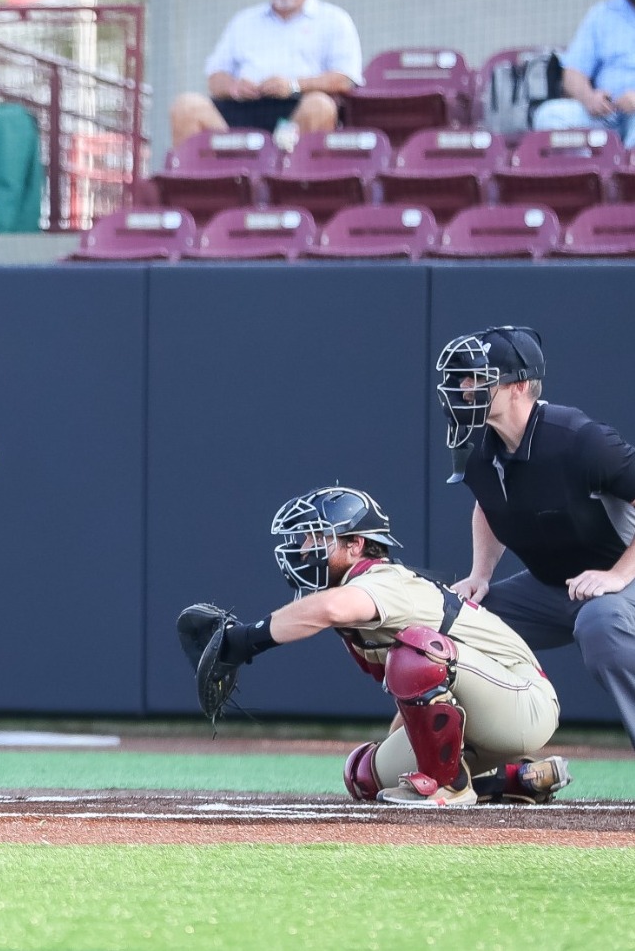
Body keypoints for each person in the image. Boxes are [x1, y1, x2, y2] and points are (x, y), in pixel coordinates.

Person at [187, 486, 571, 806]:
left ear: (356, 545)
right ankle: (518, 778)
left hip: (524, 700)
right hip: (480, 707)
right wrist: (407, 750)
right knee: (363, 775)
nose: (304, 548)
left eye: (318, 537)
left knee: (417, 652)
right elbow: (419, 698)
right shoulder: (356, 599)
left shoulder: (382, 579)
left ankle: (446, 786)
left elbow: (330, 609)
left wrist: (243, 641)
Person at [437, 326, 635, 749]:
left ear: (519, 386)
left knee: (601, 625)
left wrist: (617, 576)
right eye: (463, 378)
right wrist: (480, 573)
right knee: (453, 627)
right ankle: (466, 759)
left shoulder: (579, 439)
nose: (466, 388)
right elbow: (487, 504)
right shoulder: (475, 445)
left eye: (479, 377)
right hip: (552, 586)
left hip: (622, 577)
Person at [168, 0, 364, 147]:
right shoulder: (243, 21)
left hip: (296, 110)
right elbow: (215, 78)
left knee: (320, 106)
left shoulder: (334, 20)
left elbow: (345, 78)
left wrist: (293, 85)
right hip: (242, 110)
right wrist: (234, 87)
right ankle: (204, 177)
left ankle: (283, 164)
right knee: (185, 106)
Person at [532, 0, 635, 146]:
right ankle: (583, 176)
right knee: (550, 116)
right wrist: (589, 98)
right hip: (607, 114)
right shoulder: (603, 14)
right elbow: (573, 72)